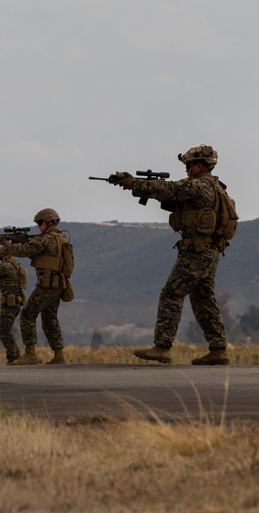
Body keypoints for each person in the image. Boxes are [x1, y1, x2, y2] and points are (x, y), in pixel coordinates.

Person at [109, 145, 232, 365]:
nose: (186, 170)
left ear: (200, 165)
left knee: (171, 294)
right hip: (207, 250)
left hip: (196, 251)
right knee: (203, 300)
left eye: (189, 166)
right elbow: (171, 197)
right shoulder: (214, 186)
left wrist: (133, 183)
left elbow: (171, 190)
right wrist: (140, 188)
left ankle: (162, 347)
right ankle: (218, 349)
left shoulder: (199, 185)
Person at [0, 208, 70, 366]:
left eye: (40, 223)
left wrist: (5, 243)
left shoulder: (45, 239)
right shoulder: (60, 238)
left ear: (50, 222)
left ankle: (30, 354)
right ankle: (59, 355)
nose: (38, 226)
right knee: (50, 319)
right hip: (57, 285)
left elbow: (24, 251)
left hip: (46, 285)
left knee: (27, 315)